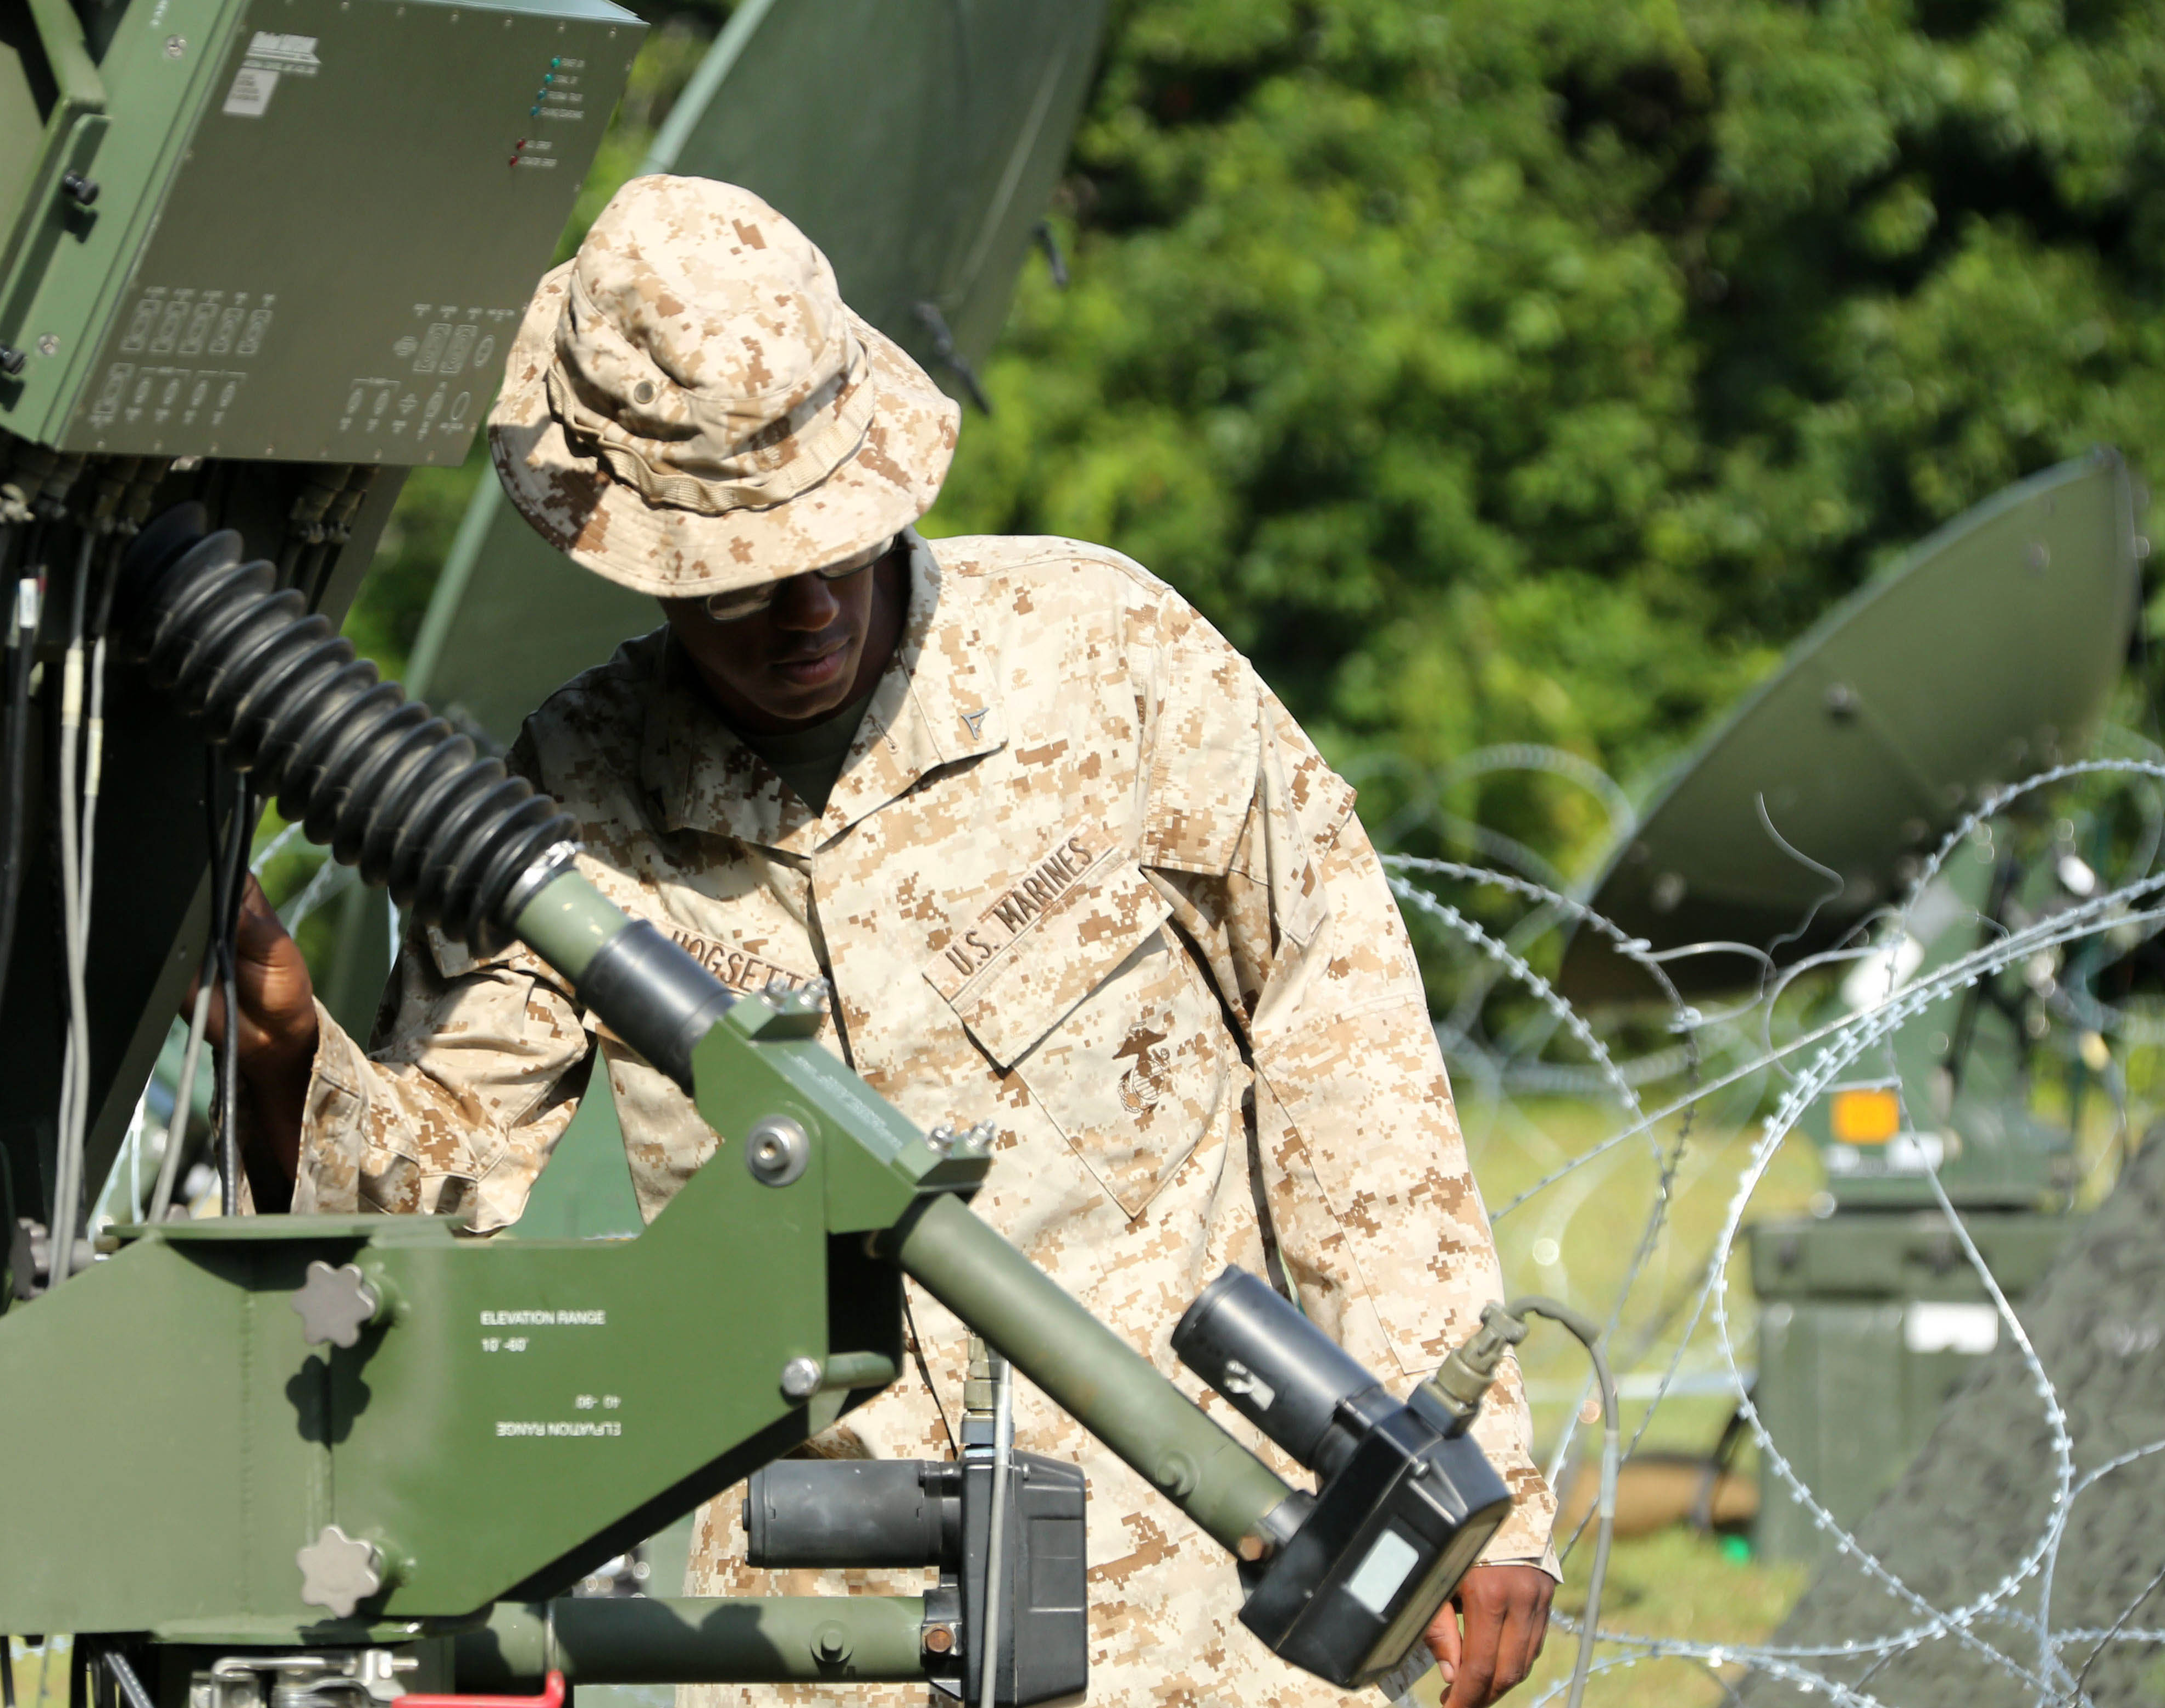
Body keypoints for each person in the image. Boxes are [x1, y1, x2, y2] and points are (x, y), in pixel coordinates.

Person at [215, 175, 1558, 1708]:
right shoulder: (569, 802)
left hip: (1204, 1629)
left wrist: (1473, 1468)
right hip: (817, 1646)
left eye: (836, 537)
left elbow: (1349, 1045)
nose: (807, 606)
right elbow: (433, 1212)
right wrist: (284, 1047)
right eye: (736, 574)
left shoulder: (1107, 662)